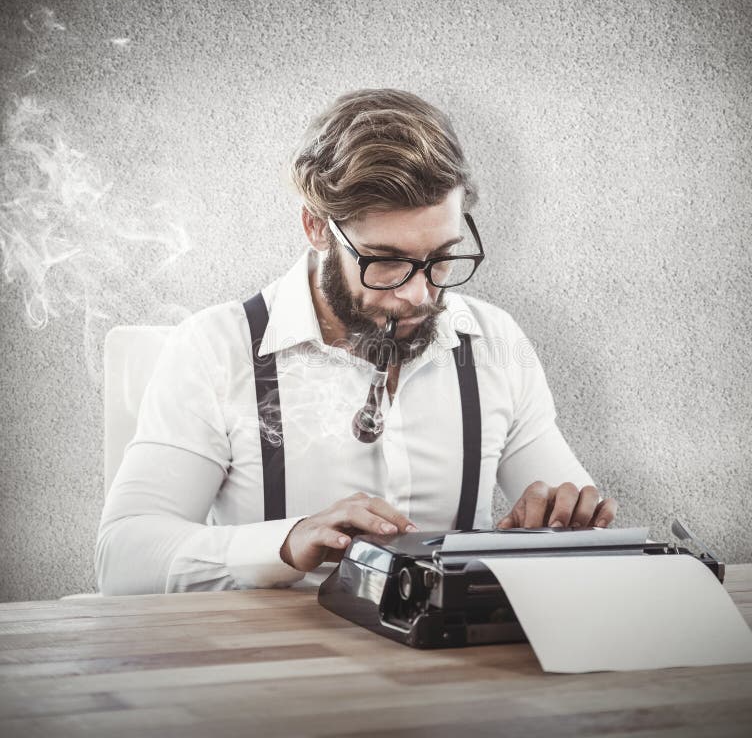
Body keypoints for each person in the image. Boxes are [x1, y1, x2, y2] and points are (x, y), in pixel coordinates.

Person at [95, 89, 618, 595]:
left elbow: (579, 531)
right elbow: (123, 558)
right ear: (316, 228)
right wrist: (286, 542)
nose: (419, 295)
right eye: (386, 261)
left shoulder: (492, 342)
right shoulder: (214, 350)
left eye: (441, 258)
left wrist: (564, 526)